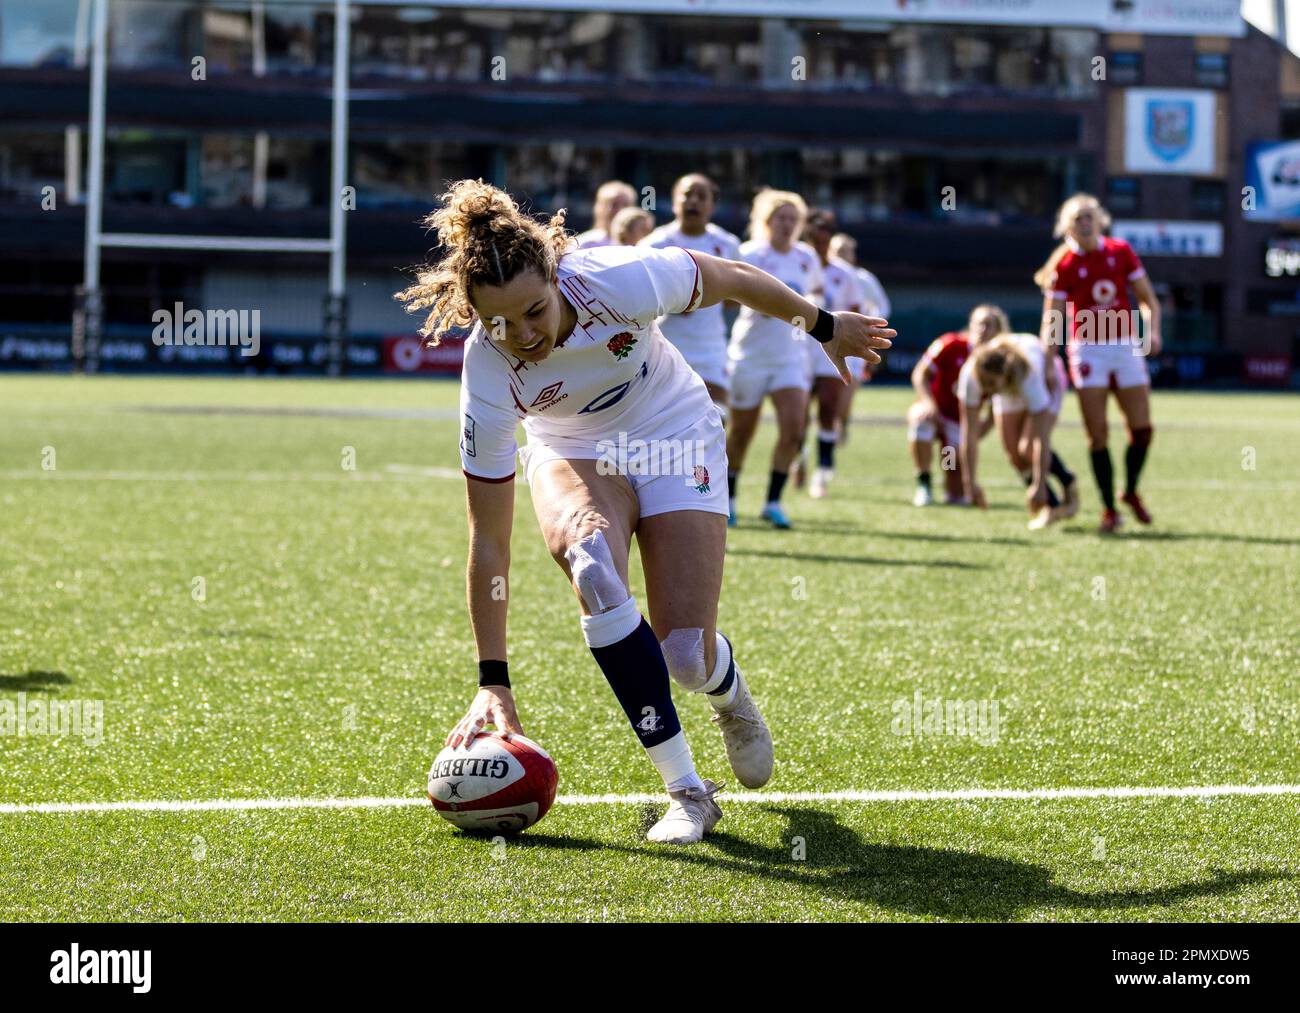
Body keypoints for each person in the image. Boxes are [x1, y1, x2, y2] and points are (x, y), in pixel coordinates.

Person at [396, 180, 893, 844]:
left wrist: (825, 325)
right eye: (500, 323)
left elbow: (736, 278)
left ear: (555, 274)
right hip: (572, 447)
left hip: (673, 428)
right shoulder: (487, 369)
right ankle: (688, 791)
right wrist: (493, 680)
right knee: (593, 567)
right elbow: (488, 542)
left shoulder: (617, 279)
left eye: (534, 312)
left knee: (685, 653)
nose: (522, 335)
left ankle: (729, 693)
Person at [1034, 193, 1161, 534]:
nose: (1085, 222)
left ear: (1100, 220)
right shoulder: (1064, 266)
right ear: (1067, 227)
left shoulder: (1120, 252)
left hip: (1124, 346)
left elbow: (1148, 300)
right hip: (1087, 349)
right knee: (1097, 434)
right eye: (1078, 218)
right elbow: (1053, 319)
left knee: (1142, 429)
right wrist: (1048, 360)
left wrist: (1152, 331)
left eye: (1089, 216)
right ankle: (1109, 509)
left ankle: (1130, 490)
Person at [726, 190, 825, 529]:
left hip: (789, 358)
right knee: (741, 433)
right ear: (765, 221)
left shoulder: (806, 258)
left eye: (792, 219)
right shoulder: (749, 253)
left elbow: (815, 300)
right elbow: (732, 296)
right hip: (750, 355)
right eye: (780, 218)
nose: (786, 225)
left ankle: (773, 502)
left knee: (795, 426)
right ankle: (730, 499)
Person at [639, 173, 741, 417]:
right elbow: (641, 297)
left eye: (701, 196)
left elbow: (732, 299)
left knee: (718, 416)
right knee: (662, 419)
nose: (693, 201)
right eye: (686, 195)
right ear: (674, 201)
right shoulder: (653, 245)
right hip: (664, 345)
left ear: (712, 205)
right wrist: (677, 301)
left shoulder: (727, 244)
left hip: (710, 346)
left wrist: (703, 298)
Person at [957, 333, 1079, 530]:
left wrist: (1038, 486)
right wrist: (970, 483)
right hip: (1009, 385)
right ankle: (1054, 507)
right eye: (984, 384)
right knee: (1014, 454)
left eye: (991, 384)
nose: (987, 391)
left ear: (1003, 376)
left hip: (1047, 379)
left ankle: (1067, 482)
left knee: (1028, 446)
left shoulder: (1028, 374)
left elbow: (1041, 438)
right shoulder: (970, 377)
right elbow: (969, 433)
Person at [907, 304, 1007, 507]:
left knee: (956, 493)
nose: (983, 330)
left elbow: (996, 409)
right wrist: (928, 403)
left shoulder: (999, 362)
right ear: (971, 325)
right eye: (980, 324)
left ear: (999, 331)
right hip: (936, 414)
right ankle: (923, 483)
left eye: (989, 325)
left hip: (959, 425)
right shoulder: (951, 344)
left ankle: (949, 482)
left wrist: (974, 436)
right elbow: (920, 374)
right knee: (920, 420)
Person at [798, 209, 866, 498]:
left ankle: (823, 471)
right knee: (798, 413)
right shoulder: (797, 265)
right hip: (799, 348)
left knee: (828, 407)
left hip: (831, 349)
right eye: (815, 241)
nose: (821, 247)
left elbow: (856, 311)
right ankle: (799, 458)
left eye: (825, 240)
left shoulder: (844, 274)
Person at [576, 180, 637, 249]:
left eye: (625, 205)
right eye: (614, 204)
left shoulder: (642, 245)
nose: (620, 210)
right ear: (599, 208)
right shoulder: (583, 244)